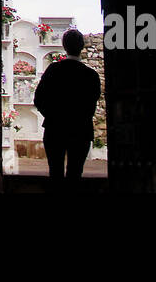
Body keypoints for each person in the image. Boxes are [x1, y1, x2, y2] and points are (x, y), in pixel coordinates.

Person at [32, 28, 102, 191]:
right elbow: (92, 102)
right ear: (82, 46)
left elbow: (39, 99)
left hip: (55, 129)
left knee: (55, 174)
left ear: (64, 46)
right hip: (81, 129)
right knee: (75, 175)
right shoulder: (91, 75)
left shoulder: (53, 70)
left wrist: (52, 116)